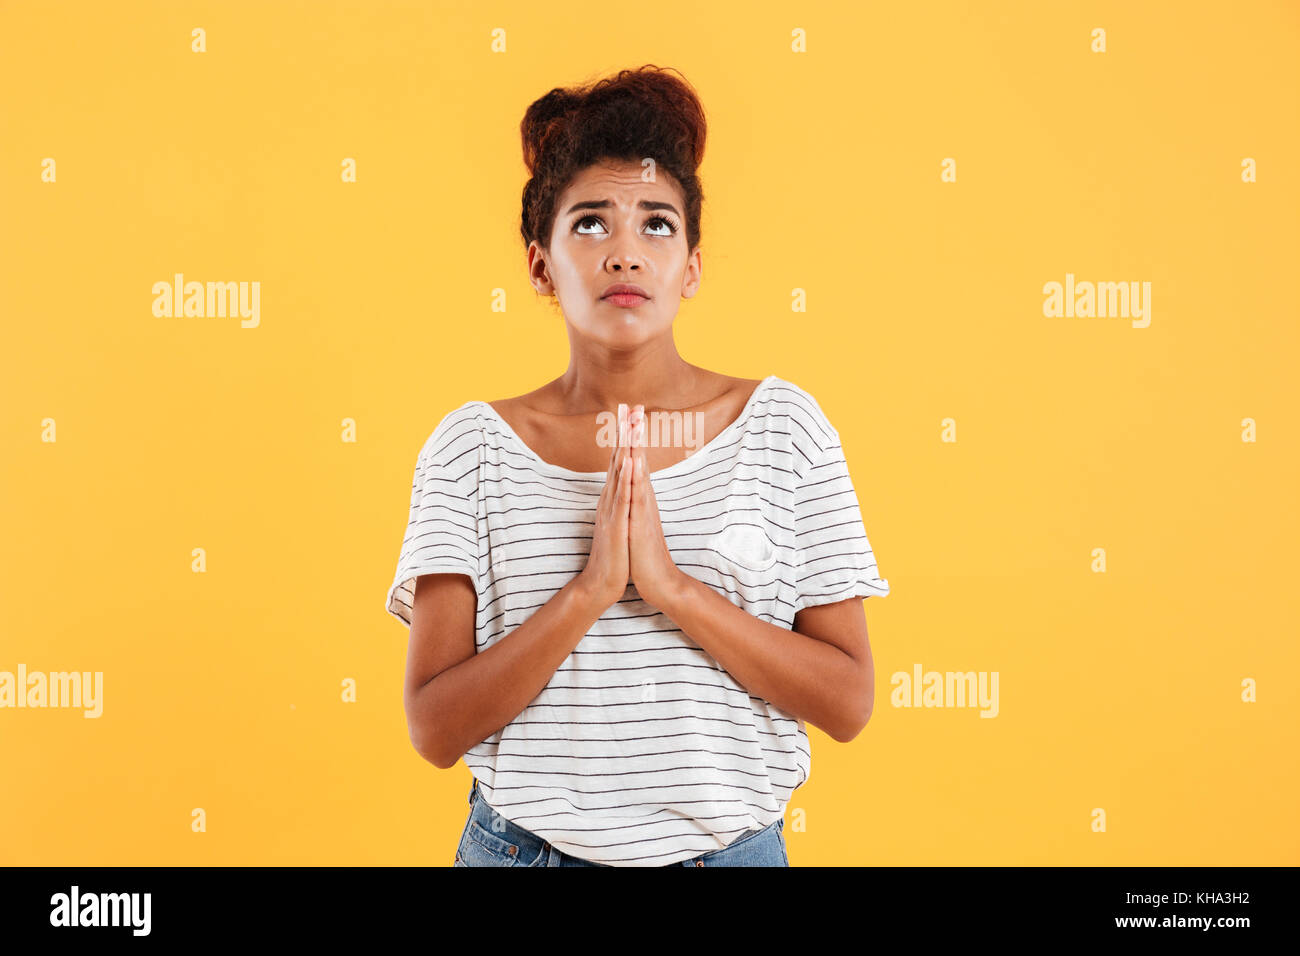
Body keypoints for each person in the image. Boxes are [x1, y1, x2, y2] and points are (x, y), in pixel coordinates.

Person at [385, 65, 890, 867]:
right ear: (541, 265)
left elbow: (849, 700)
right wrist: (591, 590)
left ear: (691, 265)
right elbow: (435, 728)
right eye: (590, 224)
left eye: (656, 224)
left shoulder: (782, 429)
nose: (625, 252)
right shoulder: (471, 447)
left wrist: (671, 589)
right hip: (524, 852)